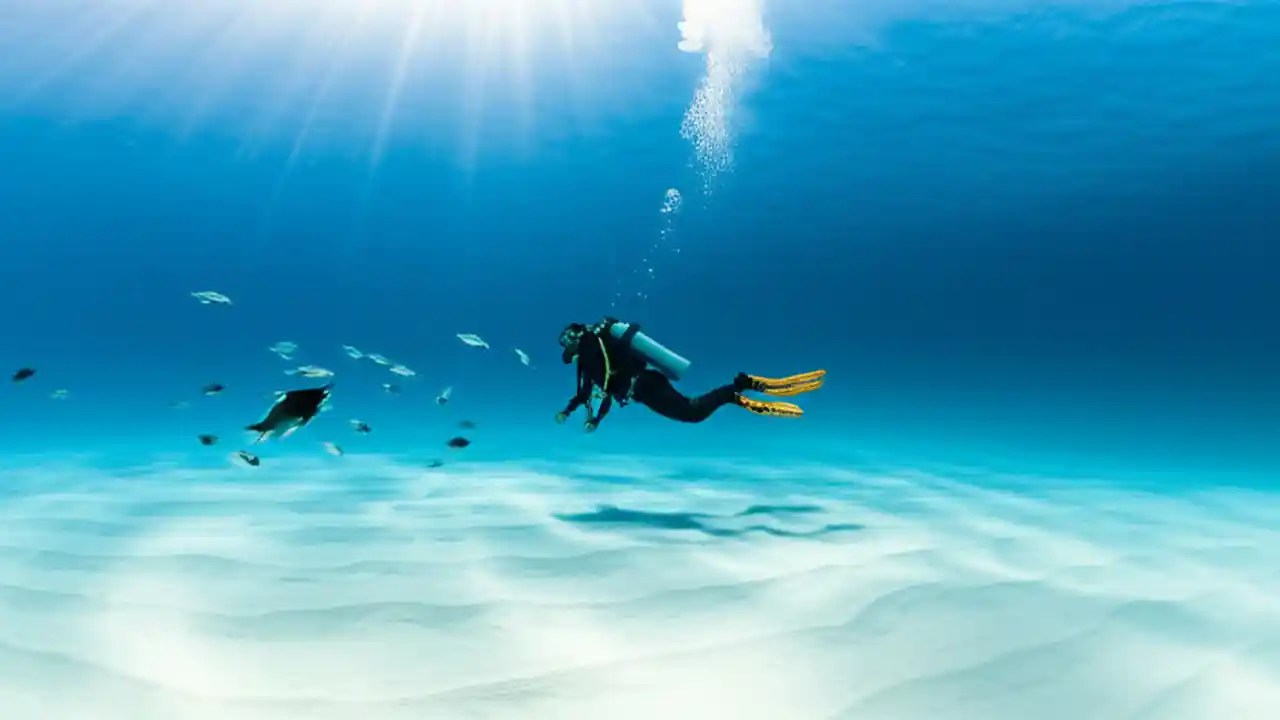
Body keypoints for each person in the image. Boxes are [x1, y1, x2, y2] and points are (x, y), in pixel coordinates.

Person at [555, 317, 825, 432]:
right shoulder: (594, 353)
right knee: (690, 412)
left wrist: (586, 417)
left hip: (645, 387)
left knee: (691, 412)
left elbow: (594, 389)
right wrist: (576, 414)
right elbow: (588, 392)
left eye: (568, 344)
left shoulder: (592, 349)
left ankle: (737, 388)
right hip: (645, 386)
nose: (571, 352)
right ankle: (737, 388)